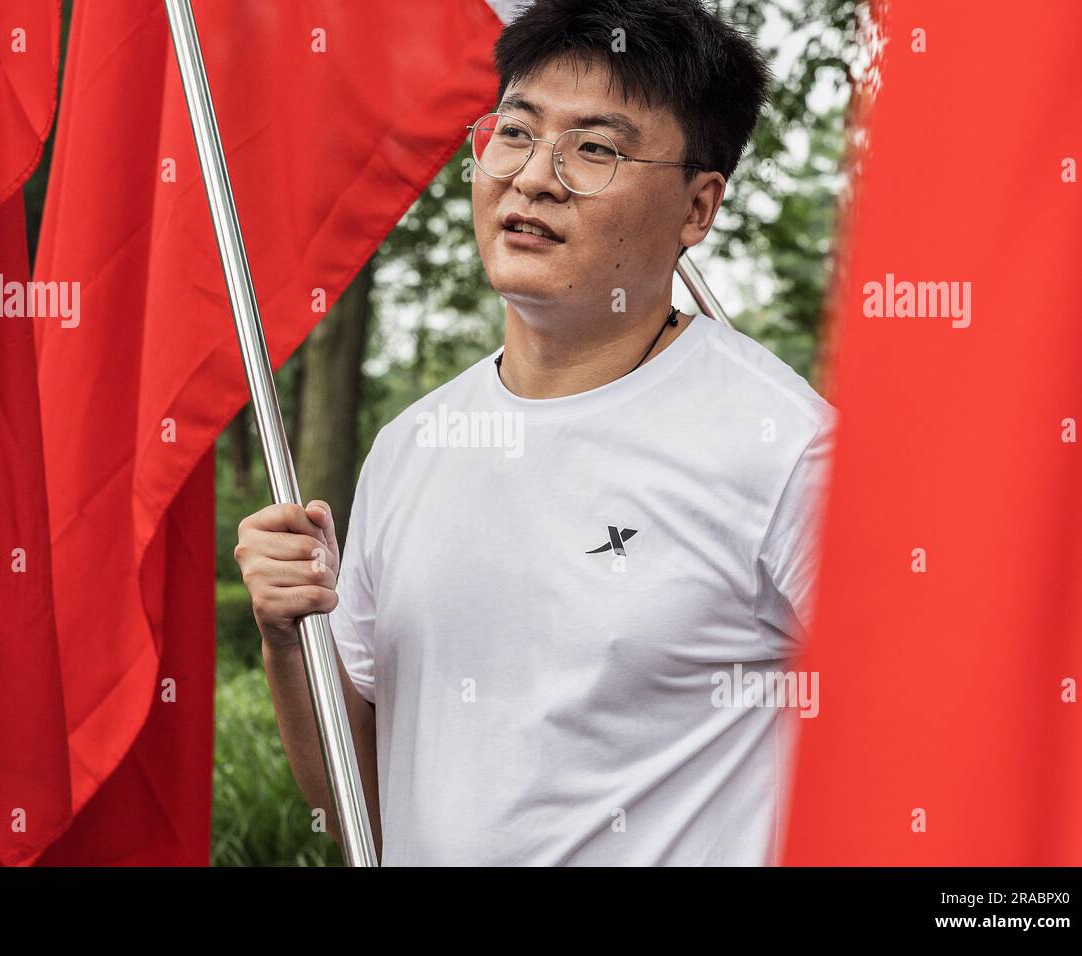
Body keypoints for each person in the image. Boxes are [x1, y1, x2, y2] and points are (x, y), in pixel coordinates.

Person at [234, 0, 836, 865]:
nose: (534, 177)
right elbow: (357, 799)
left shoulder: (785, 449)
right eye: (515, 132)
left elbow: (933, 746)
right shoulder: (412, 447)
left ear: (698, 208)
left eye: (596, 149)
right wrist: (286, 638)